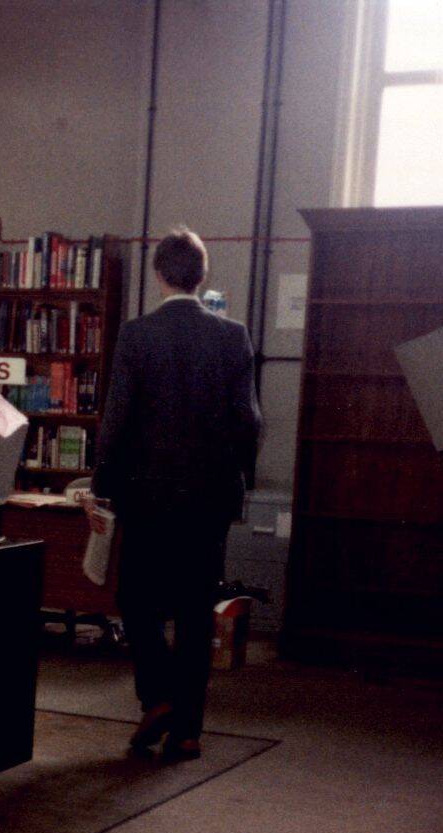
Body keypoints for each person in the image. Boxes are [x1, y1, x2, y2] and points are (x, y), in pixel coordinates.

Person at [85, 227, 259, 759]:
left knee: (135, 602)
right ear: (201, 275)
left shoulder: (137, 336)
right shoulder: (233, 337)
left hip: (147, 497)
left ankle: (156, 697)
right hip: (207, 502)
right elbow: (249, 422)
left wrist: (102, 487)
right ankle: (187, 731)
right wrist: (238, 482)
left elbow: (115, 420)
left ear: (159, 274)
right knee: (193, 611)